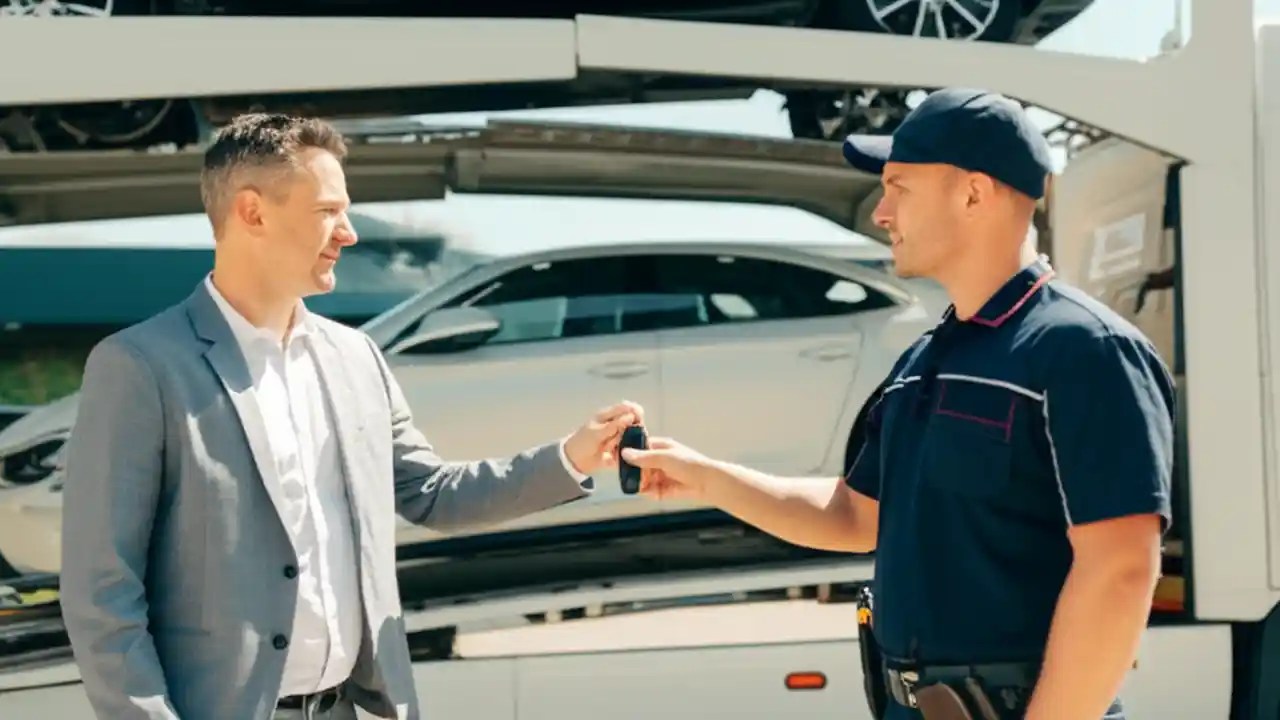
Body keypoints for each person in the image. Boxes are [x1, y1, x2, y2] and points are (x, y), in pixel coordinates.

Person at [59, 113, 644, 720]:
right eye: (327, 212)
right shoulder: (138, 366)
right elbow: (103, 591)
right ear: (252, 212)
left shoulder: (355, 356)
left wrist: (571, 457)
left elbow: (431, 492)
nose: (348, 233)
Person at [621, 88, 1174, 720]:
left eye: (898, 186)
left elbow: (1121, 570)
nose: (881, 213)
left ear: (973, 194)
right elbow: (855, 515)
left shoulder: (1085, 350)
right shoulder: (924, 361)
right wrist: (705, 476)